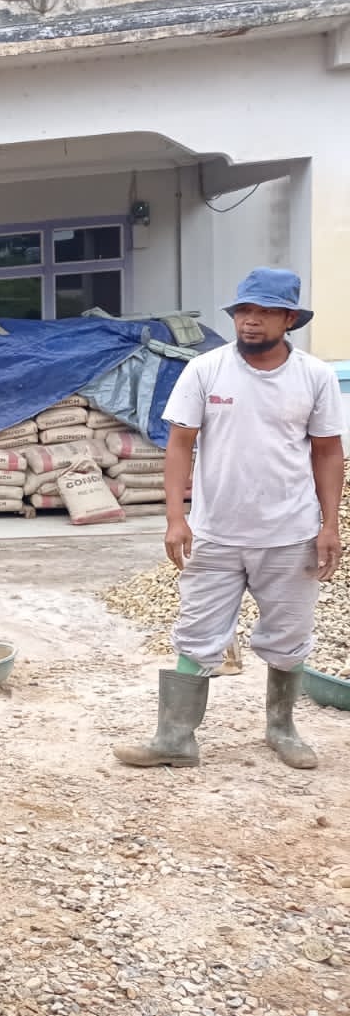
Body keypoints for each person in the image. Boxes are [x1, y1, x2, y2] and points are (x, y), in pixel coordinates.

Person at [115, 268, 343, 771]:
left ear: (289, 318)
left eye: (263, 312)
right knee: (197, 631)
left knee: (288, 636)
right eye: (243, 311)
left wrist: (331, 526)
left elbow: (328, 453)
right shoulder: (206, 370)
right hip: (216, 533)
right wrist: (176, 518)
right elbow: (180, 444)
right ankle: (175, 737)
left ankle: (281, 727)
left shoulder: (314, 376)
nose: (250, 322)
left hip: (291, 534)